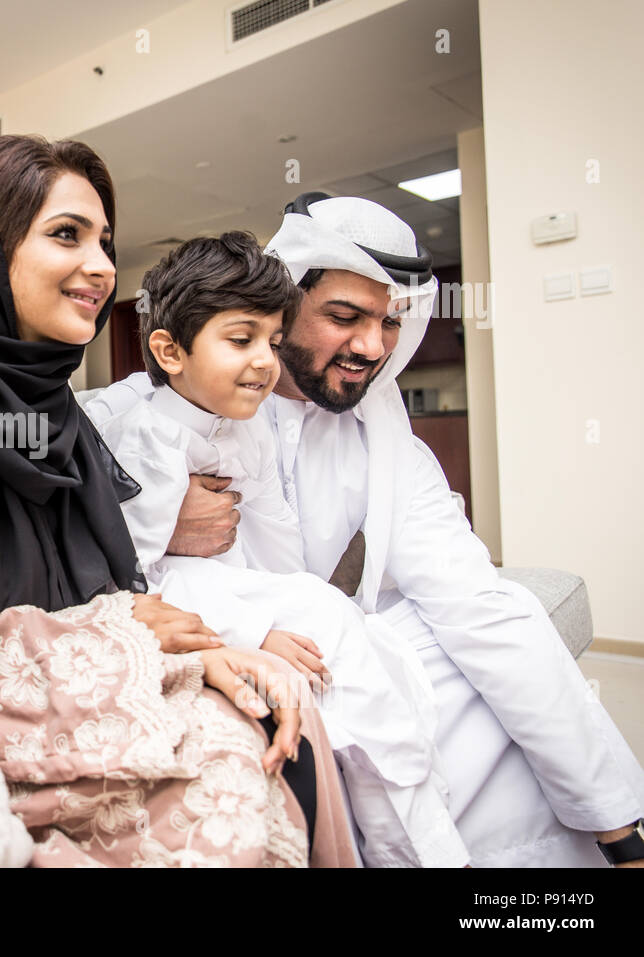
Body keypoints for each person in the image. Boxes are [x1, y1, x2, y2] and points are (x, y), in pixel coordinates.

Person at [0, 135, 356, 865]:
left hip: (96, 708)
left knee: (282, 719)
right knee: (238, 785)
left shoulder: (60, 422)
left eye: (106, 241)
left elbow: (123, 594)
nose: (101, 266)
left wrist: (205, 654)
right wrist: (127, 641)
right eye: (67, 235)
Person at [89, 192, 644, 867]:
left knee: (455, 651)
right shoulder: (174, 401)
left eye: (389, 322)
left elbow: (475, 602)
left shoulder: (386, 439)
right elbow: (88, 487)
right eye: (345, 317)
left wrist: (616, 817)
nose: (372, 346)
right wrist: (161, 515)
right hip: (221, 625)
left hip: (325, 634)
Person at [89, 231, 468, 867]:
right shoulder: (145, 438)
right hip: (184, 599)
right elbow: (130, 582)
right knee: (331, 630)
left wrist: (290, 606)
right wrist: (253, 629)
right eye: (241, 341)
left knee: (341, 628)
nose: (266, 361)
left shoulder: (247, 428)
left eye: (271, 340)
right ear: (168, 351)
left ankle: (409, 825)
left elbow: (276, 544)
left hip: (242, 587)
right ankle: (415, 844)